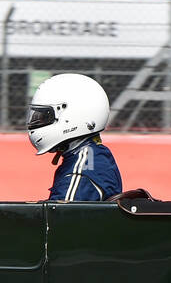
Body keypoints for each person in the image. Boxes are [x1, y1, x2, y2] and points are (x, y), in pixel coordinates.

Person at [26, 73, 123, 202]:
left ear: (72, 115)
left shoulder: (82, 169)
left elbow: (60, 218)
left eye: (45, 116)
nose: (38, 121)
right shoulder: (91, 155)